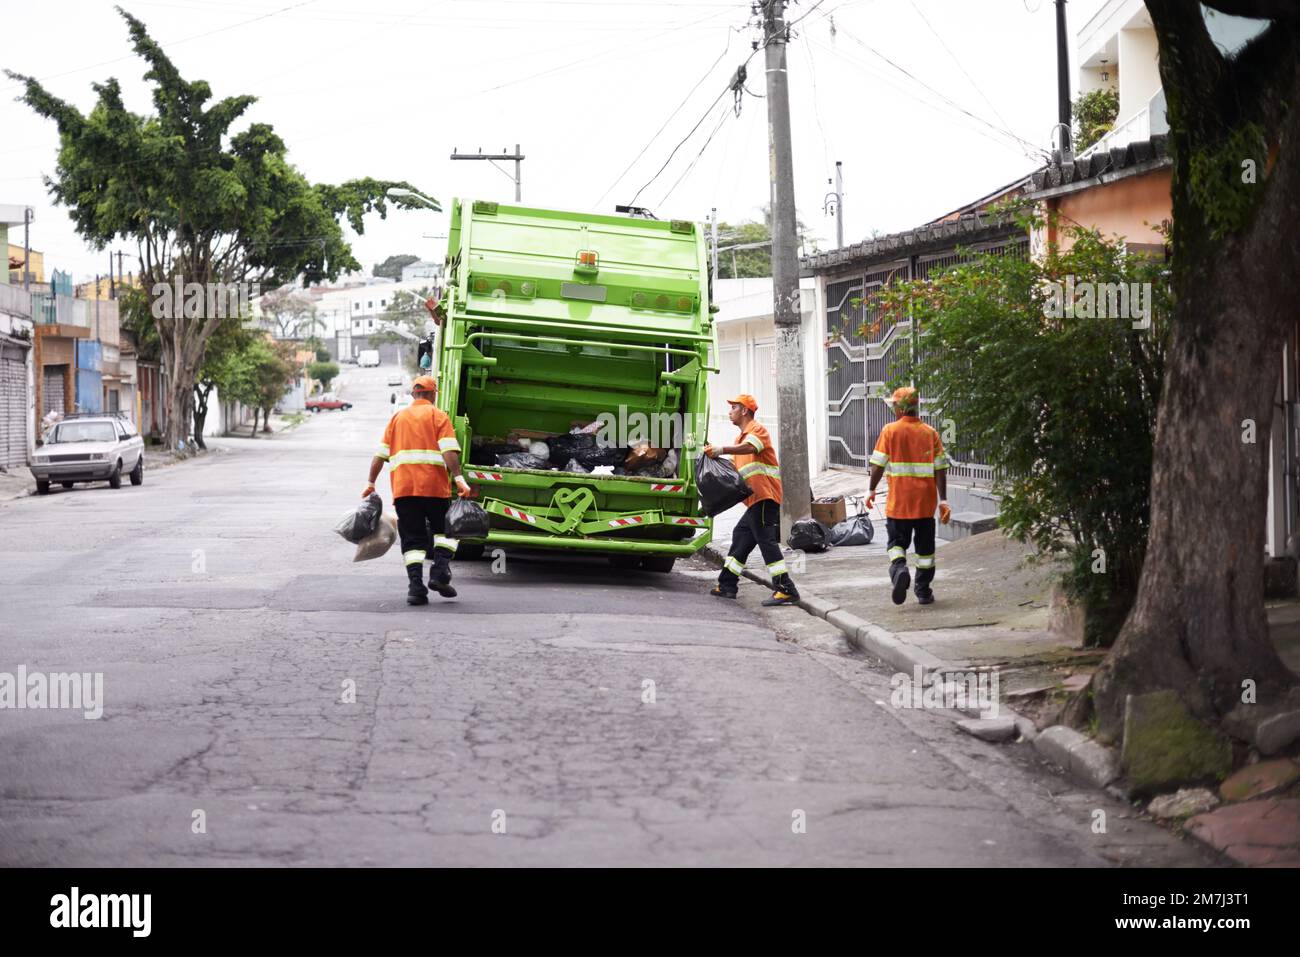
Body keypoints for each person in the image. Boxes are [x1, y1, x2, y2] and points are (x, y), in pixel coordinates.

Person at [363, 375, 476, 606]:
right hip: (435, 489)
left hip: (404, 491)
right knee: (446, 532)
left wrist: (370, 483)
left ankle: (416, 589)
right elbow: (449, 452)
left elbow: (379, 456)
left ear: (414, 394)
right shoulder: (438, 416)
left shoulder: (397, 418)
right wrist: (459, 478)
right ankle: (440, 572)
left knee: (412, 541)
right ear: (433, 394)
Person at [703, 394, 800, 607]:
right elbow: (735, 468)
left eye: (734, 407)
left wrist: (722, 449)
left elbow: (751, 447)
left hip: (765, 497)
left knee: (766, 541)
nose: (730, 412)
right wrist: (713, 455)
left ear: (745, 410)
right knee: (740, 536)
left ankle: (786, 588)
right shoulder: (740, 440)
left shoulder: (757, 431)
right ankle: (727, 585)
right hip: (755, 501)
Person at [865, 386, 951, 606]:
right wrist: (943, 500)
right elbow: (940, 468)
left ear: (900, 407)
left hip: (899, 503)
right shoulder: (930, 432)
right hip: (925, 504)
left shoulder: (890, 431)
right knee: (925, 551)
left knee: (895, 543)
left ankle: (899, 568)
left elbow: (877, 465)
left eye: (894, 404)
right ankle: (923, 591)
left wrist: (871, 489)